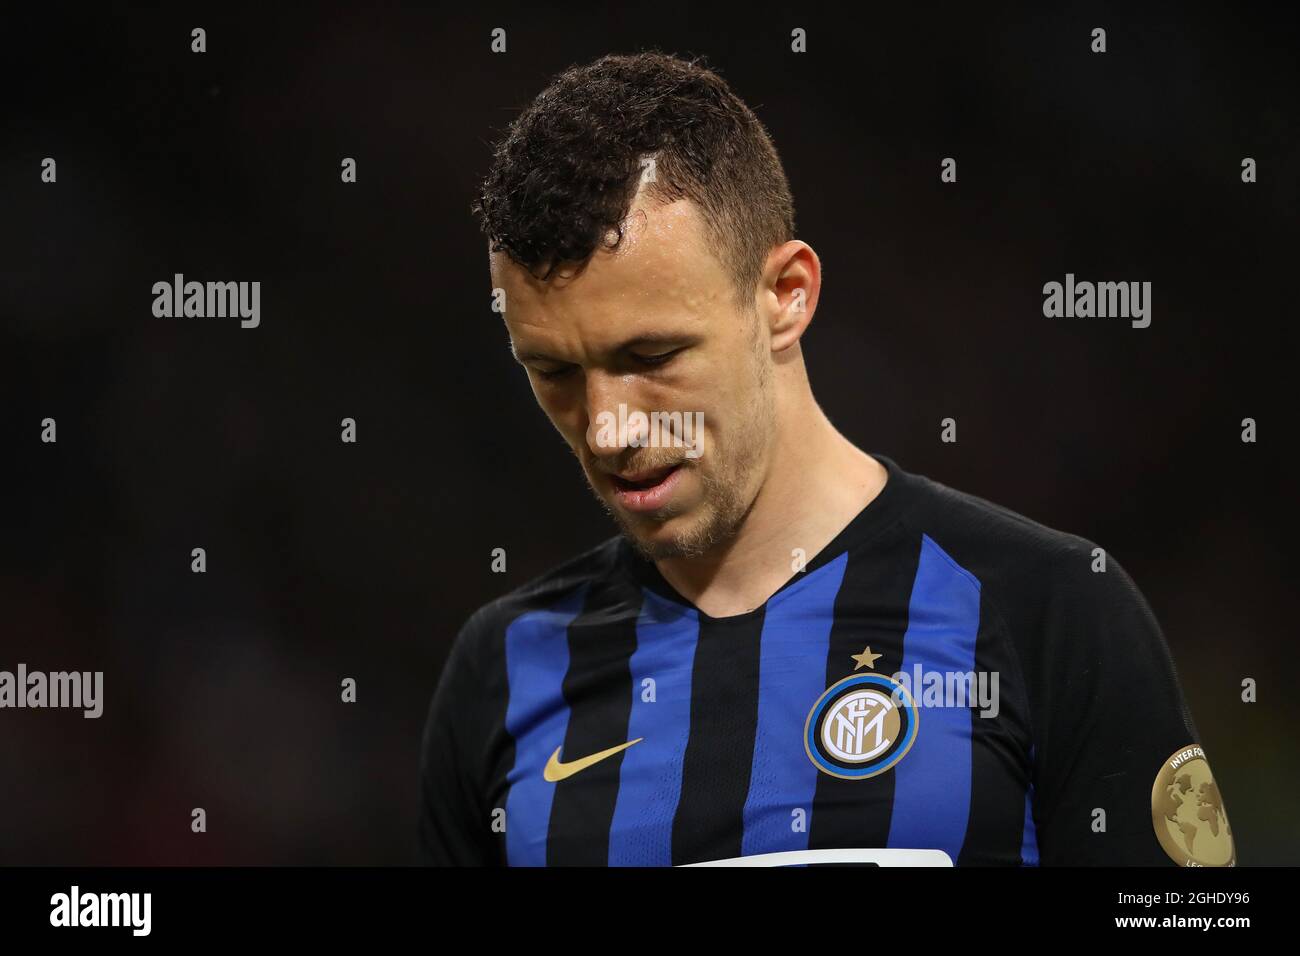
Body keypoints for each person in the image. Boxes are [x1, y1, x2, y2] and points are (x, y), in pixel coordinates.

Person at [418, 51, 1233, 867]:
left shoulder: (1045, 612)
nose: (606, 428)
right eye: (554, 372)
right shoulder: (505, 670)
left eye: (654, 354)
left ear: (786, 296)